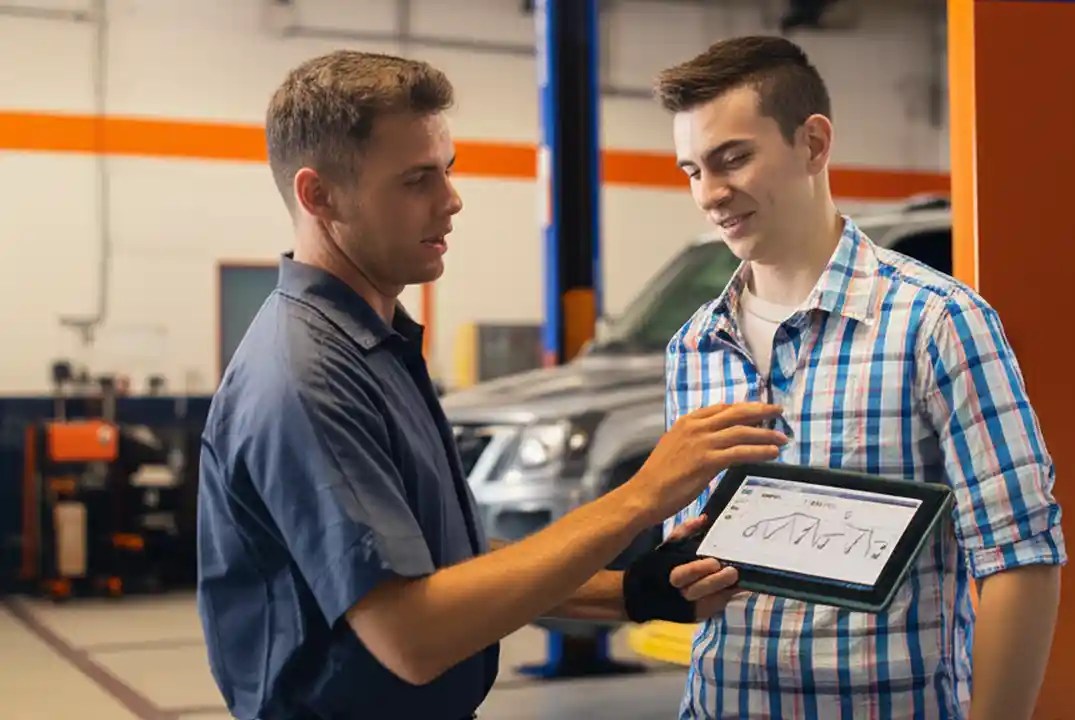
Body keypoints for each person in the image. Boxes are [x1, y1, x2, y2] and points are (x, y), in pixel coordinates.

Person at [195, 49, 789, 720]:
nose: (451, 200)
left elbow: (450, 562)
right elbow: (413, 636)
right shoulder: (306, 378)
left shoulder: (374, 346)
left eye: (446, 171)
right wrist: (642, 496)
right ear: (319, 195)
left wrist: (632, 592)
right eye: (417, 179)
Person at [650, 36, 1067, 719]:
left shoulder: (938, 323)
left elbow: (1021, 555)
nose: (710, 194)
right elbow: (696, 558)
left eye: (733, 159)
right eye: (692, 170)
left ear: (813, 144)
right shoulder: (694, 349)